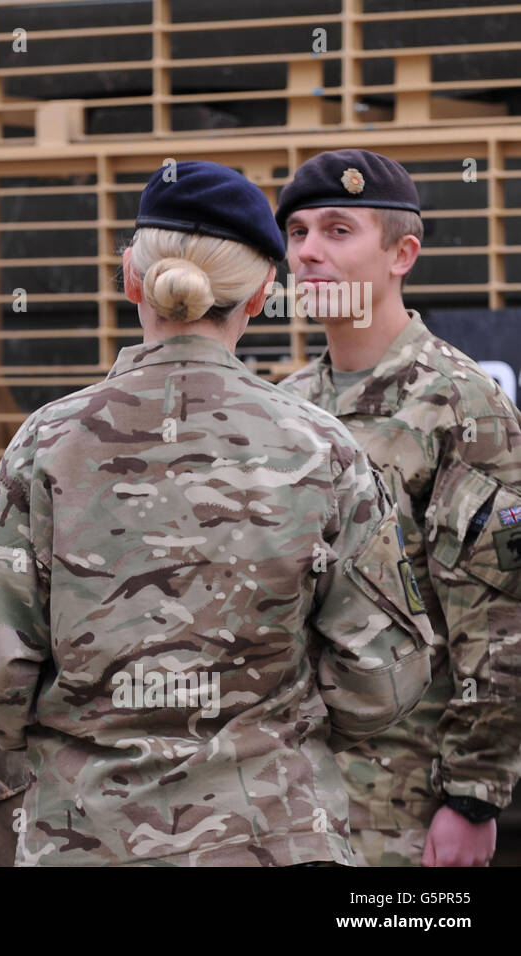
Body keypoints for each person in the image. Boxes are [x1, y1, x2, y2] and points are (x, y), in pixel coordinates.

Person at [0, 160, 434, 866]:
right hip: (275, 838)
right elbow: (383, 680)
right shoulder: (324, 449)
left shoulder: (48, 443)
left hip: (88, 839)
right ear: (261, 294)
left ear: (131, 277)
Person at [276, 149, 521, 867]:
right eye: (297, 234)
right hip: (287, 791)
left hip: (403, 800)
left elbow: (499, 616)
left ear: (401, 254)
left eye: (337, 230)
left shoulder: (461, 405)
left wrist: (473, 795)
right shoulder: (285, 406)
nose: (309, 253)